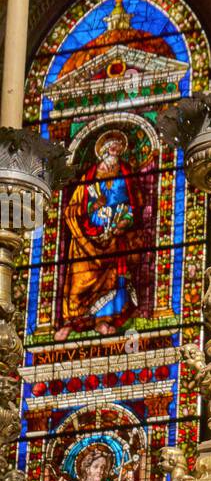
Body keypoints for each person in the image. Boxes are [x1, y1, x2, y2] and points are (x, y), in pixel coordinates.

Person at [57, 129, 141, 341]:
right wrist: (94, 205)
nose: (116, 150)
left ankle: (103, 320)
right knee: (78, 278)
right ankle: (71, 321)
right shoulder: (89, 177)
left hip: (114, 236)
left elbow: (135, 204)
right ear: (103, 150)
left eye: (119, 148)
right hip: (87, 238)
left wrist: (125, 221)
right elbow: (71, 209)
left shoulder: (126, 174)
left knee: (112, 278)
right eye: (112, 147)